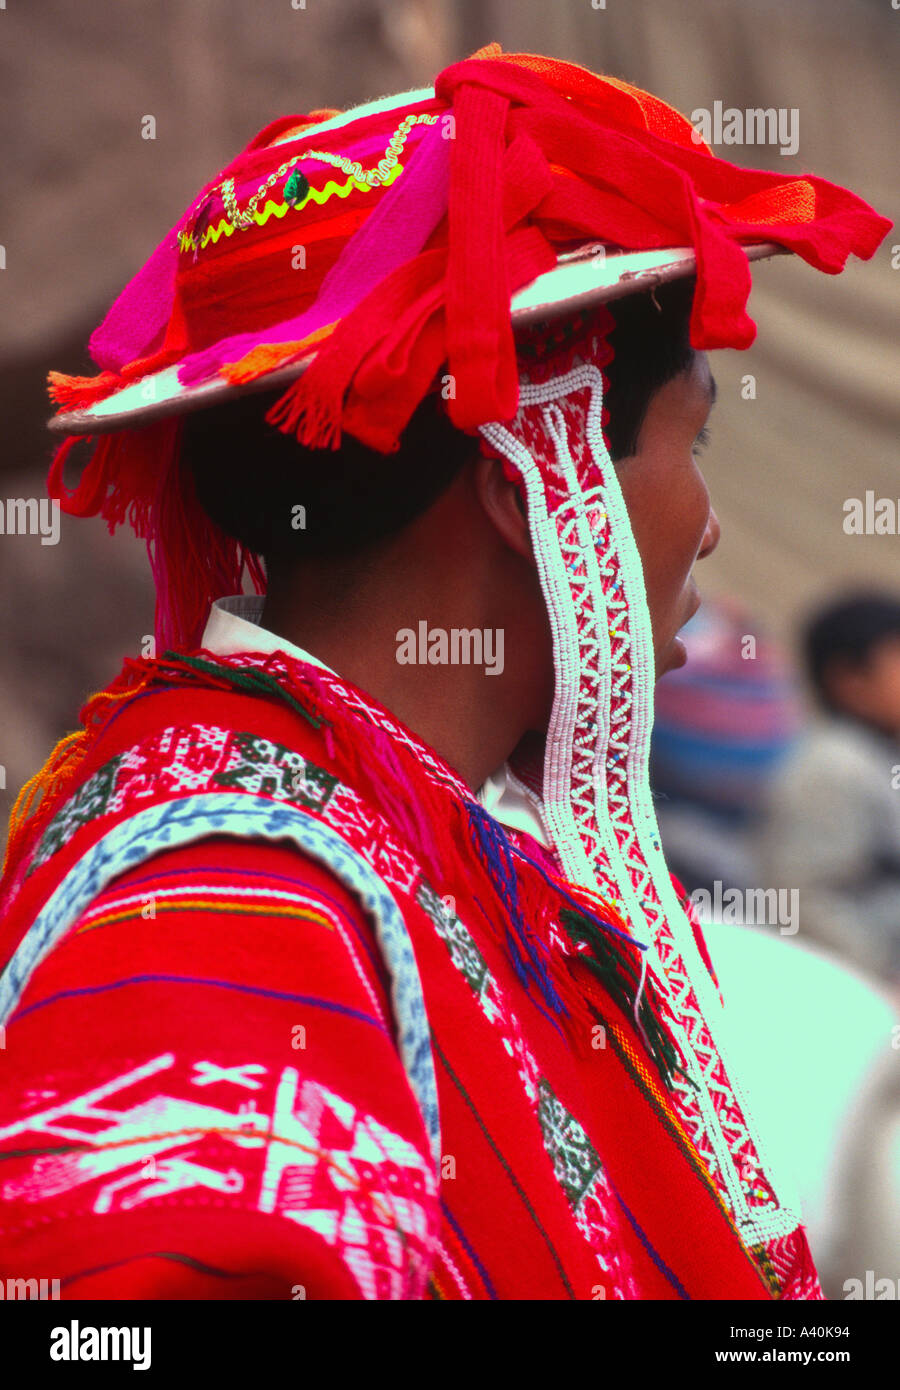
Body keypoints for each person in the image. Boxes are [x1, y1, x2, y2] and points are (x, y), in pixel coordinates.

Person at [0, 46, 889, 1300]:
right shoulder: (227, 893)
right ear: (535, 487)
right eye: (701, 441)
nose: (711, 524)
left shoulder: (436, 849)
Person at [761, 592, 900, 984]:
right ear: (850, 681)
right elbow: (801, 895)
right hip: (856, 989)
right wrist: (880, 973)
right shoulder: (834, 767)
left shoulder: (880, 757)